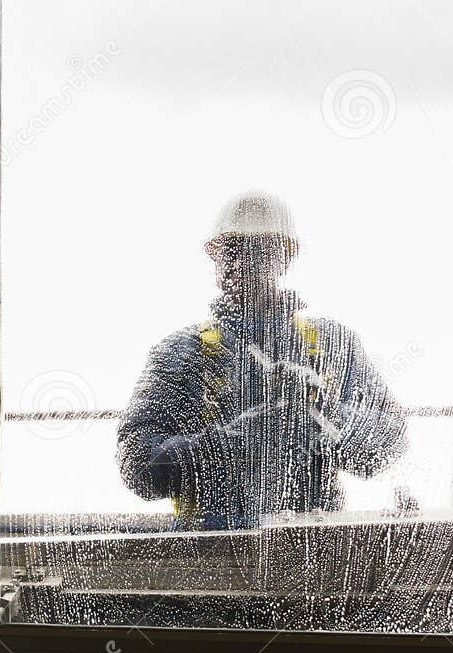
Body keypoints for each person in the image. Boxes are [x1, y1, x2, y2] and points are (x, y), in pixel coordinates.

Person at [116, 191, 407, 530]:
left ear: (285, 259)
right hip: (212, 554)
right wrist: (230, 440)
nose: (243, 263)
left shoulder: (332, 344)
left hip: (317, 548)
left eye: (260, 251)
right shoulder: (182, 352)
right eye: (232, 251)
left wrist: (320, 412)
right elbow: (139, 467)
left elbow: (392, 441)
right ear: (216, 259)